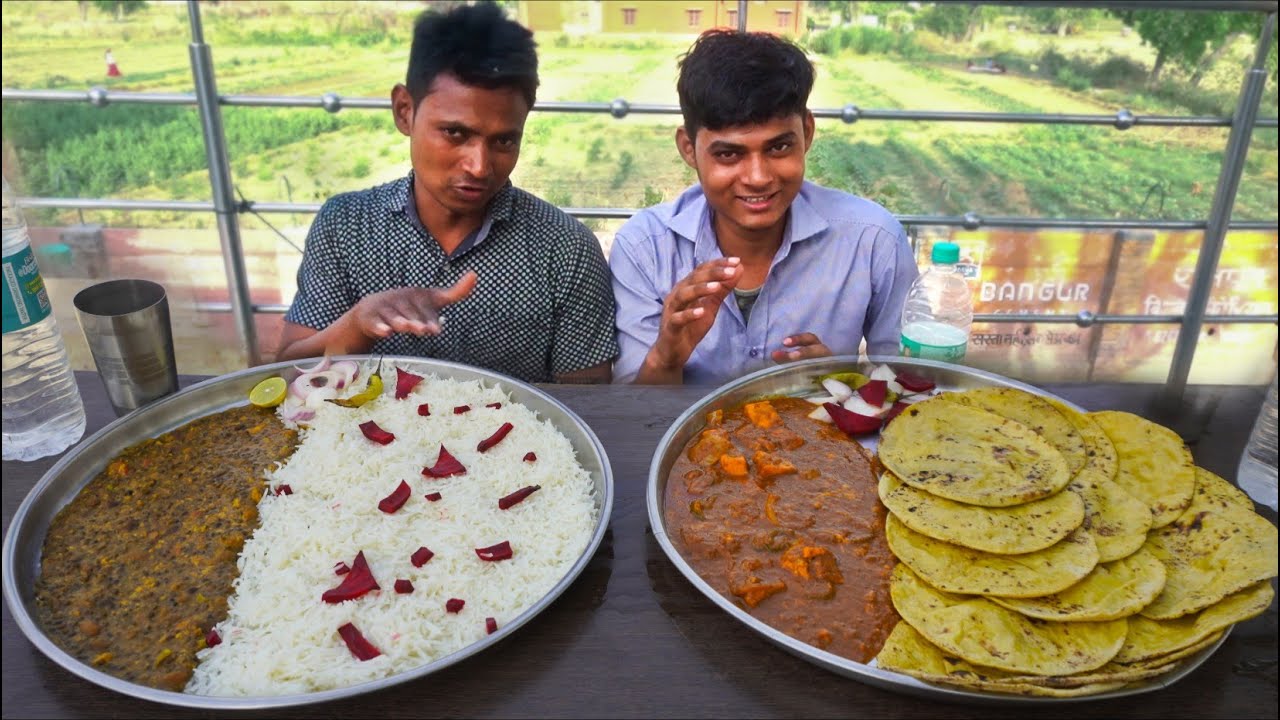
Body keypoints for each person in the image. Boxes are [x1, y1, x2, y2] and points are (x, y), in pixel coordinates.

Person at [278, 2, 618, 384]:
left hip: (518, 442)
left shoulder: (565, 249)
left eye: (504, 140)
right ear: (404, 111)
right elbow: (288, 375)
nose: (478, 166)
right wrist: (357, 324)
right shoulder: (347, 228)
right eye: (455, 133)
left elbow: (588, 404)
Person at [609, 30, 918, 385]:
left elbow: (909, 388)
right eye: (729, 154)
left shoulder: (874, 240)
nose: (757, 177)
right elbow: (634, 415)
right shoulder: (646, 247)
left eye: (779, 148)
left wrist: (844, 383)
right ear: (689, 148)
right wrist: (666, 358)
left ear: (807, 132)